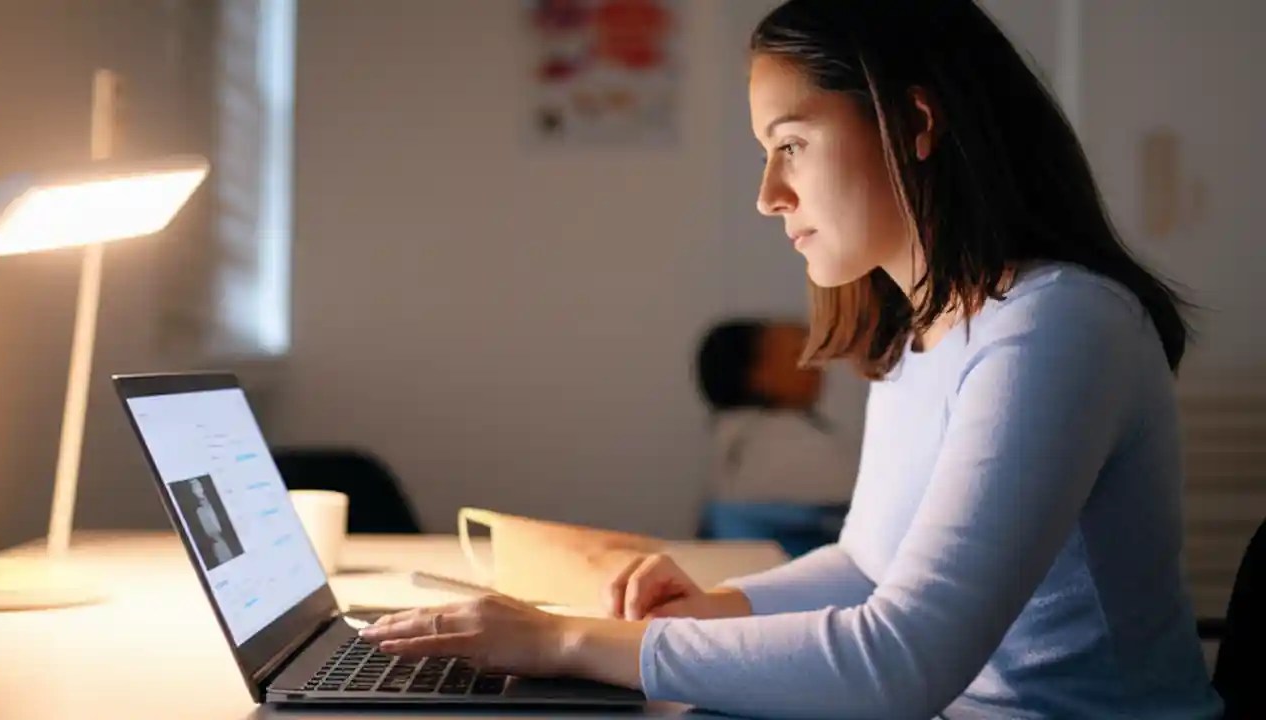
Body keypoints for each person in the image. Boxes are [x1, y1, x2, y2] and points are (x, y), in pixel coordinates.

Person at [361, 0, 1223, 716]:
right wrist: (714, 608)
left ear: (914, 123)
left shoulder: (1058, 325)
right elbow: (866, 566)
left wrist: (565, 641)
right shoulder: (922, 330)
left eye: (792, 145)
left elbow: (904, 662)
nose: (770, 195)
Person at [695, 319, 853, 557]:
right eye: (799, 353)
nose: (819, 364)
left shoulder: (733, 434)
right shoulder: (777, 441)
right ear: (757, 374)